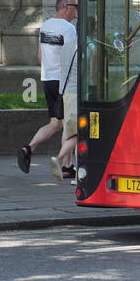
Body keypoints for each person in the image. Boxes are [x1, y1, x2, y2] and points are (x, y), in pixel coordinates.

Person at [18, 0, 78, 173]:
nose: (77, 11)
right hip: (64, 81)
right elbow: (71, 57)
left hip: (47, 79)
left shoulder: (45, 26)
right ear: (66, 7)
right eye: (75, 7)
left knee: (56, 123)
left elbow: (39, 56)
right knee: (68, 125)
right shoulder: (68, 29)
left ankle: (29, 148)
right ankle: (65, 165)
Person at [51, 29, 79, 183]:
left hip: (65, 93)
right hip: (77, 95)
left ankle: (76, 175)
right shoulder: (88, 47)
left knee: (70, 133)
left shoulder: (67, 45)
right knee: (81, 135)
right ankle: (60, 159)